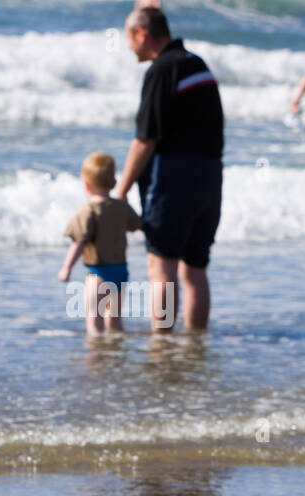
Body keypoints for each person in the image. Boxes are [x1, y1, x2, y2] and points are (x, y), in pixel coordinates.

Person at [113, 3, 223, 333]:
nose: (129, 45)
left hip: (173, 181)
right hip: (210, 178)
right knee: (195, 270)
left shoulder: (161, 70)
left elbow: (145, 140)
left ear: (142, 34)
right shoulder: (197, 65)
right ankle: (194, 346)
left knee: (161, 268)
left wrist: (120, 192)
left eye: (129, 38)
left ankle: (162, 346)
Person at [58, 152, 142, 335]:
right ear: (113, 182)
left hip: (99, 273)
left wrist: (66, 267)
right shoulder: (121, 207)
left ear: (87, 184)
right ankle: (115, 355)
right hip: (121, 272)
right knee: (115, 321)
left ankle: (97, 359)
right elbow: (137, 224)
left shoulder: (88, 211)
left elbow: (79, 241)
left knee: (94, 322)